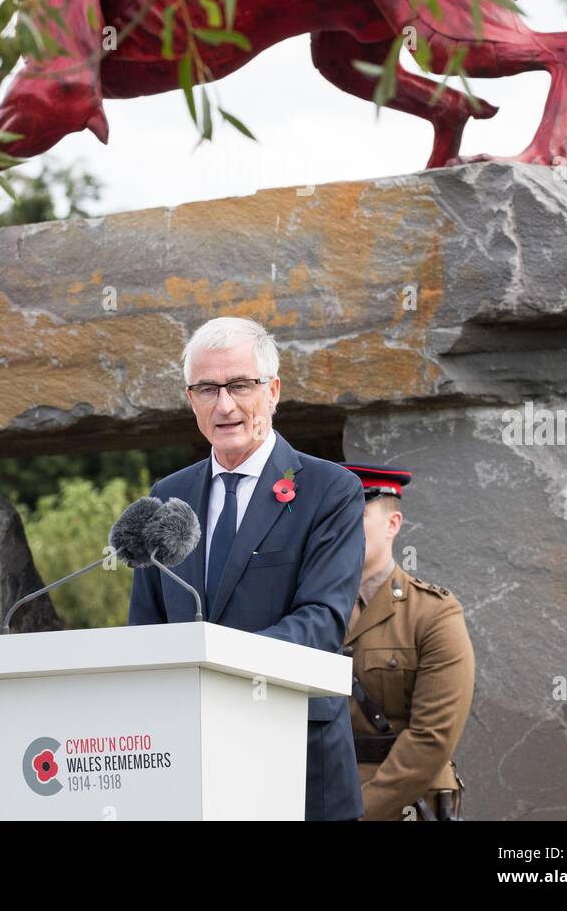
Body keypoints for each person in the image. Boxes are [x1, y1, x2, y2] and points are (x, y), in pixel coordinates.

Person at [127, 316, 365, 821]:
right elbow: (145, 630)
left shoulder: (330, 490)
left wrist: (219, 665)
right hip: (189, 757)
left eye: (239, 385)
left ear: (273, 391)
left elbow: (322, 620)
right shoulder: (167, 497)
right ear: (191, 399)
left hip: (295, 754)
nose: (225, 404)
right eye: (208, 389)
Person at [342, 462, 475, 821]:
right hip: (318, 794)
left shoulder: (433, 614)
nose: (341, 527)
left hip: (405, 804)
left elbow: (432, 738)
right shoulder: (305, 608)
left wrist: (357, 812)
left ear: (392, 524)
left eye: (355, 514)